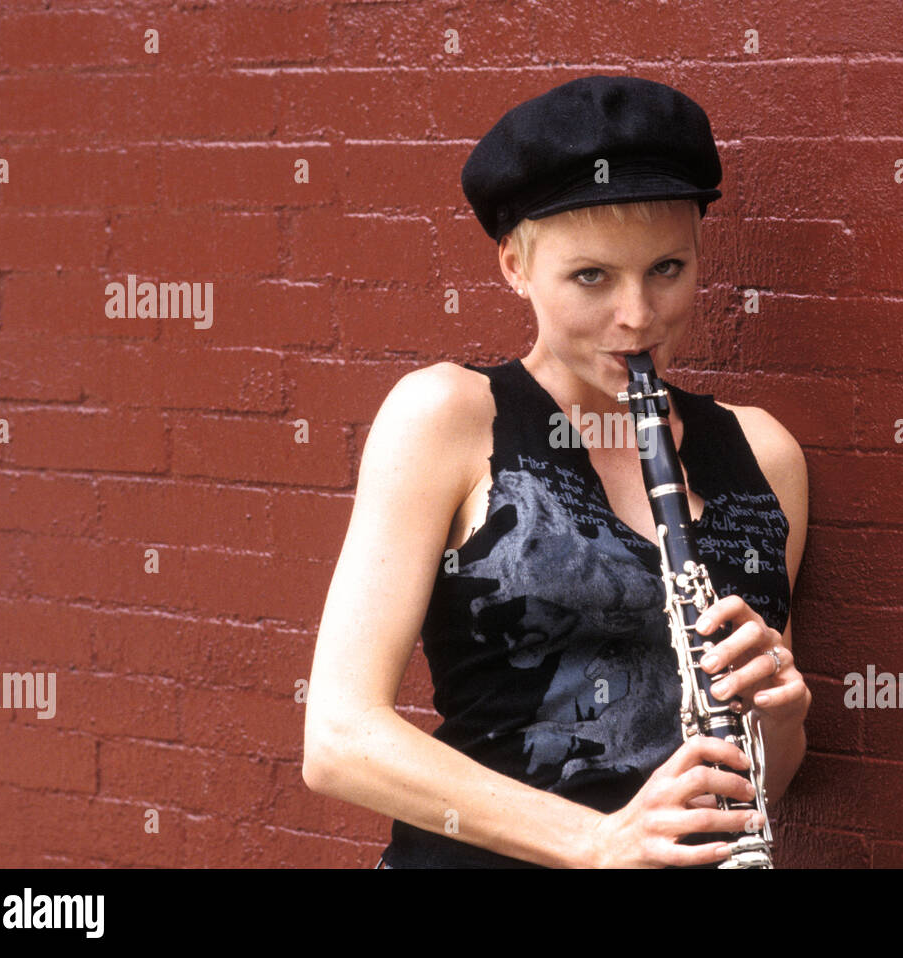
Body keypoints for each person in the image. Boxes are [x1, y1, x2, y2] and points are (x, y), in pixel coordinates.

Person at [301, 75, 810, 868]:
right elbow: (337, 738)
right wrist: (596, 841)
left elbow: (761, 780)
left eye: (668, 268)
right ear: (514, 263)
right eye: (591, 277)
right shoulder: (448, 416)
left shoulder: (763, 455)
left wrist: (778, 712)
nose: (638, 315)